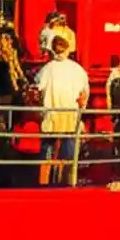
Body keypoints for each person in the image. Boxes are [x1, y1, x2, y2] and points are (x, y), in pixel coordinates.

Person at [34, 35, 88, 186]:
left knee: (47, 149)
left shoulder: (47, 69)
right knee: (69, 148)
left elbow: (37, 88)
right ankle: (68, 181)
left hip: (51, 115)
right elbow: (84, 94)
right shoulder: (78, 70)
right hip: (70, 115)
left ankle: (44, 182)